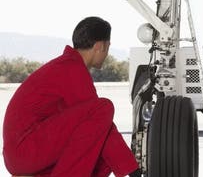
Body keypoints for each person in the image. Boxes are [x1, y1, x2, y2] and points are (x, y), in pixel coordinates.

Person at [2, 16, 141, 177]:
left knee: (103, 153)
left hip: (23, 153)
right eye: (108, 47)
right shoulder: (71, 69)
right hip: (25, 151)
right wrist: (133, 171)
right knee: (103, 108)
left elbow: (96, 130)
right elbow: (104, 123)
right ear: (100, 46)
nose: (107, 54)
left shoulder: (66, 65)